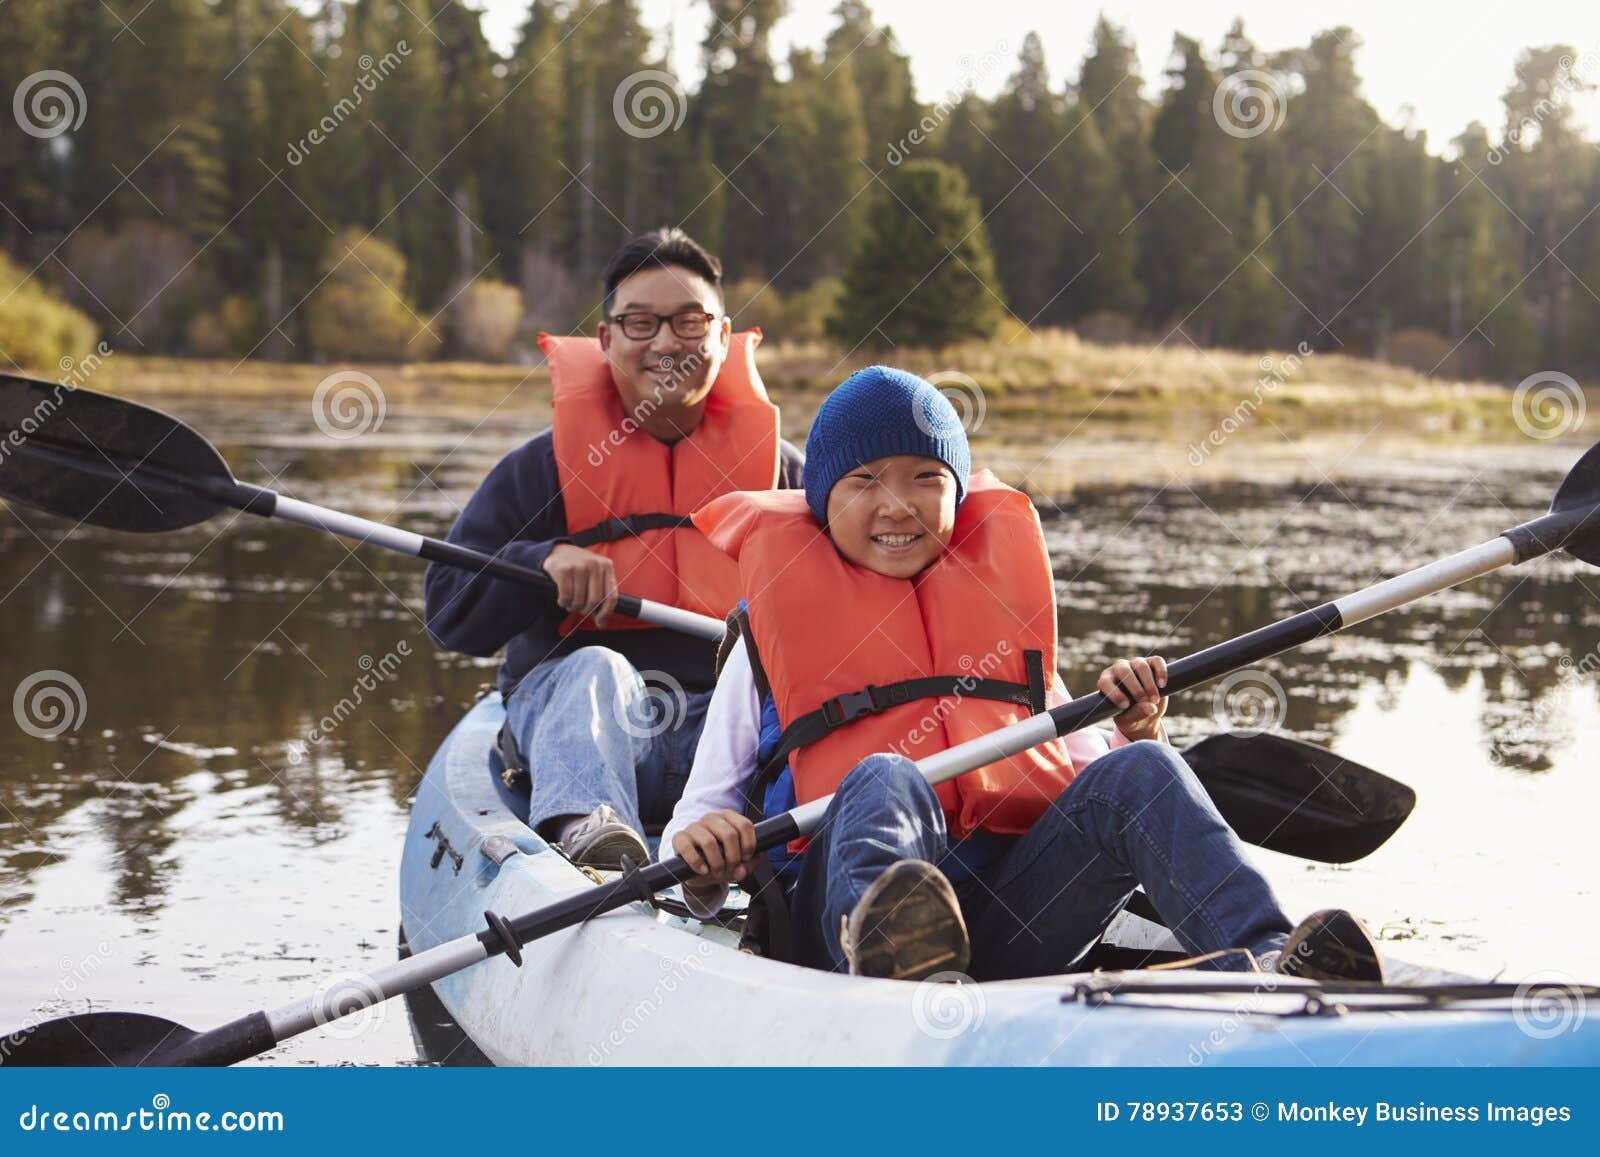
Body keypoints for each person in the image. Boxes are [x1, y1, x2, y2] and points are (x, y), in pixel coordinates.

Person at [661, 366, 1383, 983]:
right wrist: (703, 858)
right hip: (839, 929)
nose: (896, 504)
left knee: (1140, 770)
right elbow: (690, 825)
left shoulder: (1000, 625)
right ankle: (895, 953)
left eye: (926, 478)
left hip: (1011, 925)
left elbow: (1102, 795)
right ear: (820, 497)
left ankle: (1262, 960)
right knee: (887, 773)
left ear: (958, 492)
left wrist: (1142, 729)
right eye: (864, 481)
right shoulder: (769, 637)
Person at [425, 228, 804, 869]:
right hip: (591, 730)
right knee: (596, 667)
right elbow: (446, 615)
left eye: (689, 322)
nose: (665, 342)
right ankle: (595, 844)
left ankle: (796, 871)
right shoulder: (537, 471)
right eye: (640, 322)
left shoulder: (787, 479)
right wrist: (536, 564)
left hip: (726, 739)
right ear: (606, 339)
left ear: (721, 332)